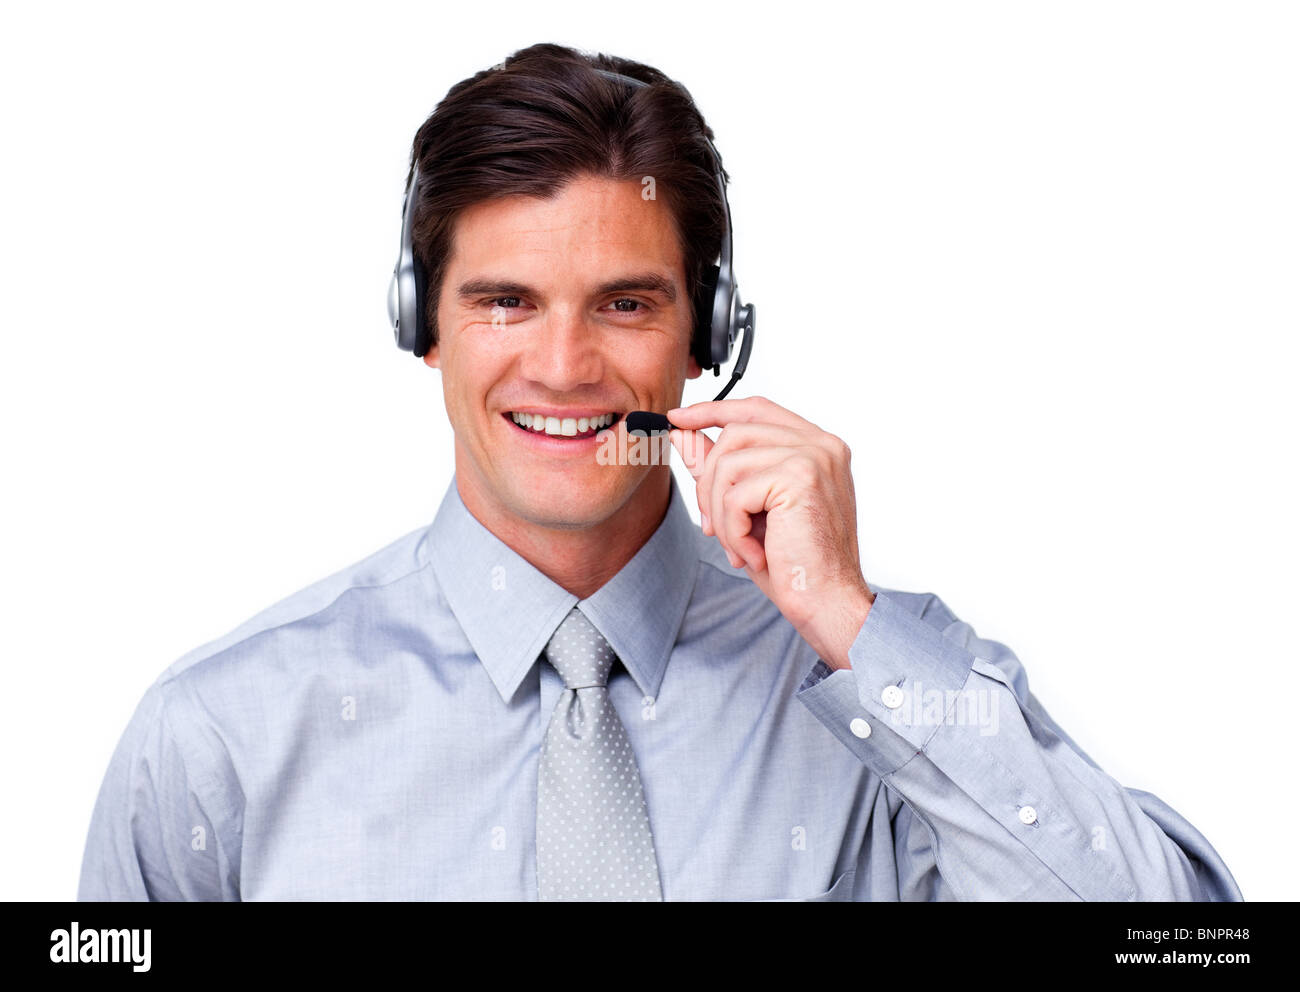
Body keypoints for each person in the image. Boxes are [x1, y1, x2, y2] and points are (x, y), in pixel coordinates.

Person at [77, 42, 1241, 902]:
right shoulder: (218, 732)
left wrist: (849, 619)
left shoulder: (881, 705)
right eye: (504, 302)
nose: (566, 365)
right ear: (420, 325)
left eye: (625, 304)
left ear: (709, 336)